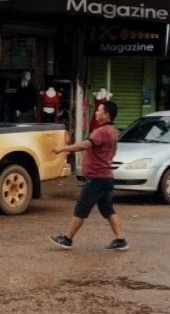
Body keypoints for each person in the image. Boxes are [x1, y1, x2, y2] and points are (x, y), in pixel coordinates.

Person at [50, 101, 128, 251]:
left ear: (107, 115)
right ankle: (121, 239)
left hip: (97, 178)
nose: (96, 113)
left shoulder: (101, 132)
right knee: (107, 209)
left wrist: (62, 149)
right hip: (106, 177)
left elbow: (84, 145)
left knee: (81, 209)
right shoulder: (112, 131)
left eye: (99, 111)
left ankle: (67, 239)